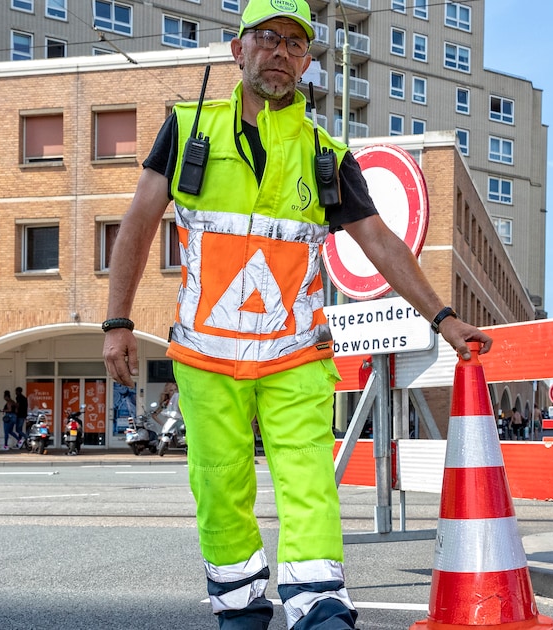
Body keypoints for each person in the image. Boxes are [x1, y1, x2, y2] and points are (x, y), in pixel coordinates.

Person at [101, 1, 493, 627]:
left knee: (309, 483)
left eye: (295, 44)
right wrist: (117, 321)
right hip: (207, 357)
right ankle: (240, 609)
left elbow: (382, 243)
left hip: (293, 358)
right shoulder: (188, 129)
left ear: (306, 62)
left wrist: (444, 317)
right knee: (220, 488)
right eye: (268, 39)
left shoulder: (325, 152)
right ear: (239, 49)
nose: (281, 53)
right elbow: (139, 223)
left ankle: (320, 608)